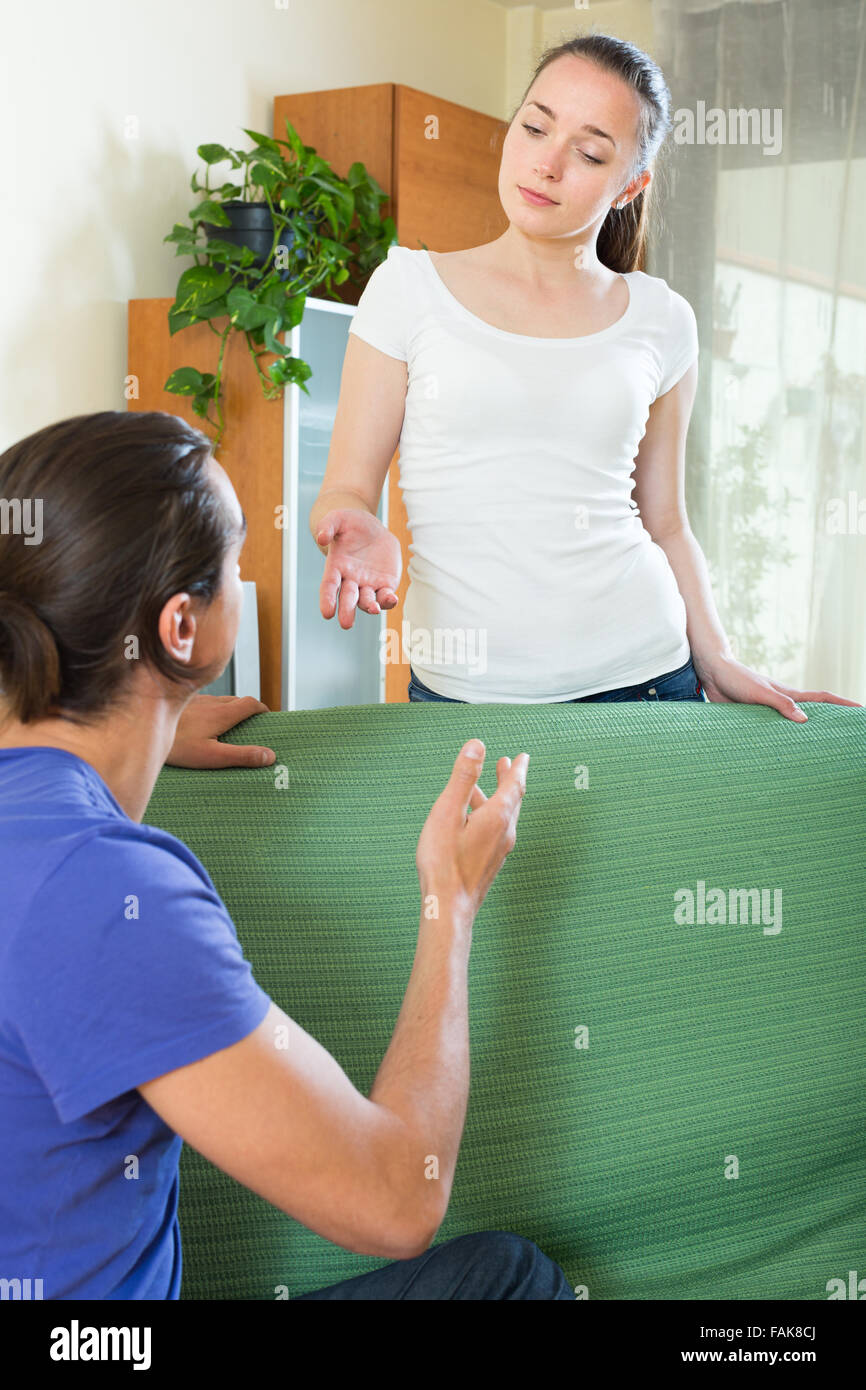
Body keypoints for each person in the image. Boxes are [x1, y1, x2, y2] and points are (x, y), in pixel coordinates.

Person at [0, 409, 572, 1301]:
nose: (250, 579)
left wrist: (148, 720)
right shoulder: (107, 889)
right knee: (502, 1282)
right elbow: (395, 1201)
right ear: (181, 630)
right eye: (234, 565)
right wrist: (448, 907)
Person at [310, 33, 860, 716]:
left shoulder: (662, 318)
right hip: (465, 692)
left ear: (631, 184)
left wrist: (716, 654)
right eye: (536, 126)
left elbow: (666, 523)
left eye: (591, 152)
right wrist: (352, 521)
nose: (547, 162)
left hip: (649, 677)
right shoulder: (408, 289)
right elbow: (346, 487)